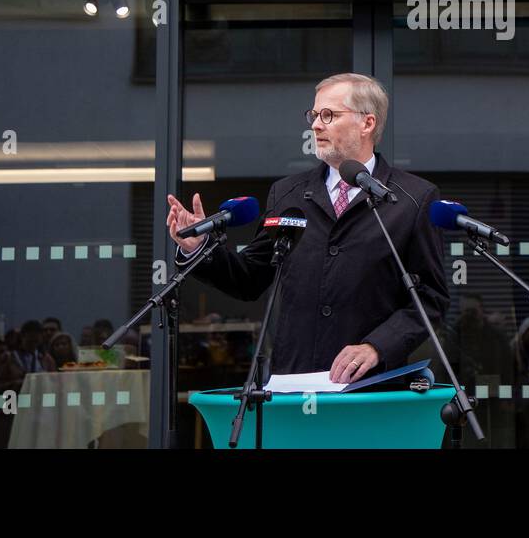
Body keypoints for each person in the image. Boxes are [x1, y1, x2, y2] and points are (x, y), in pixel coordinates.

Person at [166, 73, 447, 382]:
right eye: (314, 115)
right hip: (295, 380)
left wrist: (376, 347)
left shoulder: (412, 199)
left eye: (329, 115)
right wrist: (200, 248)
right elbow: (250, 278)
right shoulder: (287, 194)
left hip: (372, 386)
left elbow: (429, 299)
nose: (315, 125)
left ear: (367, 123)